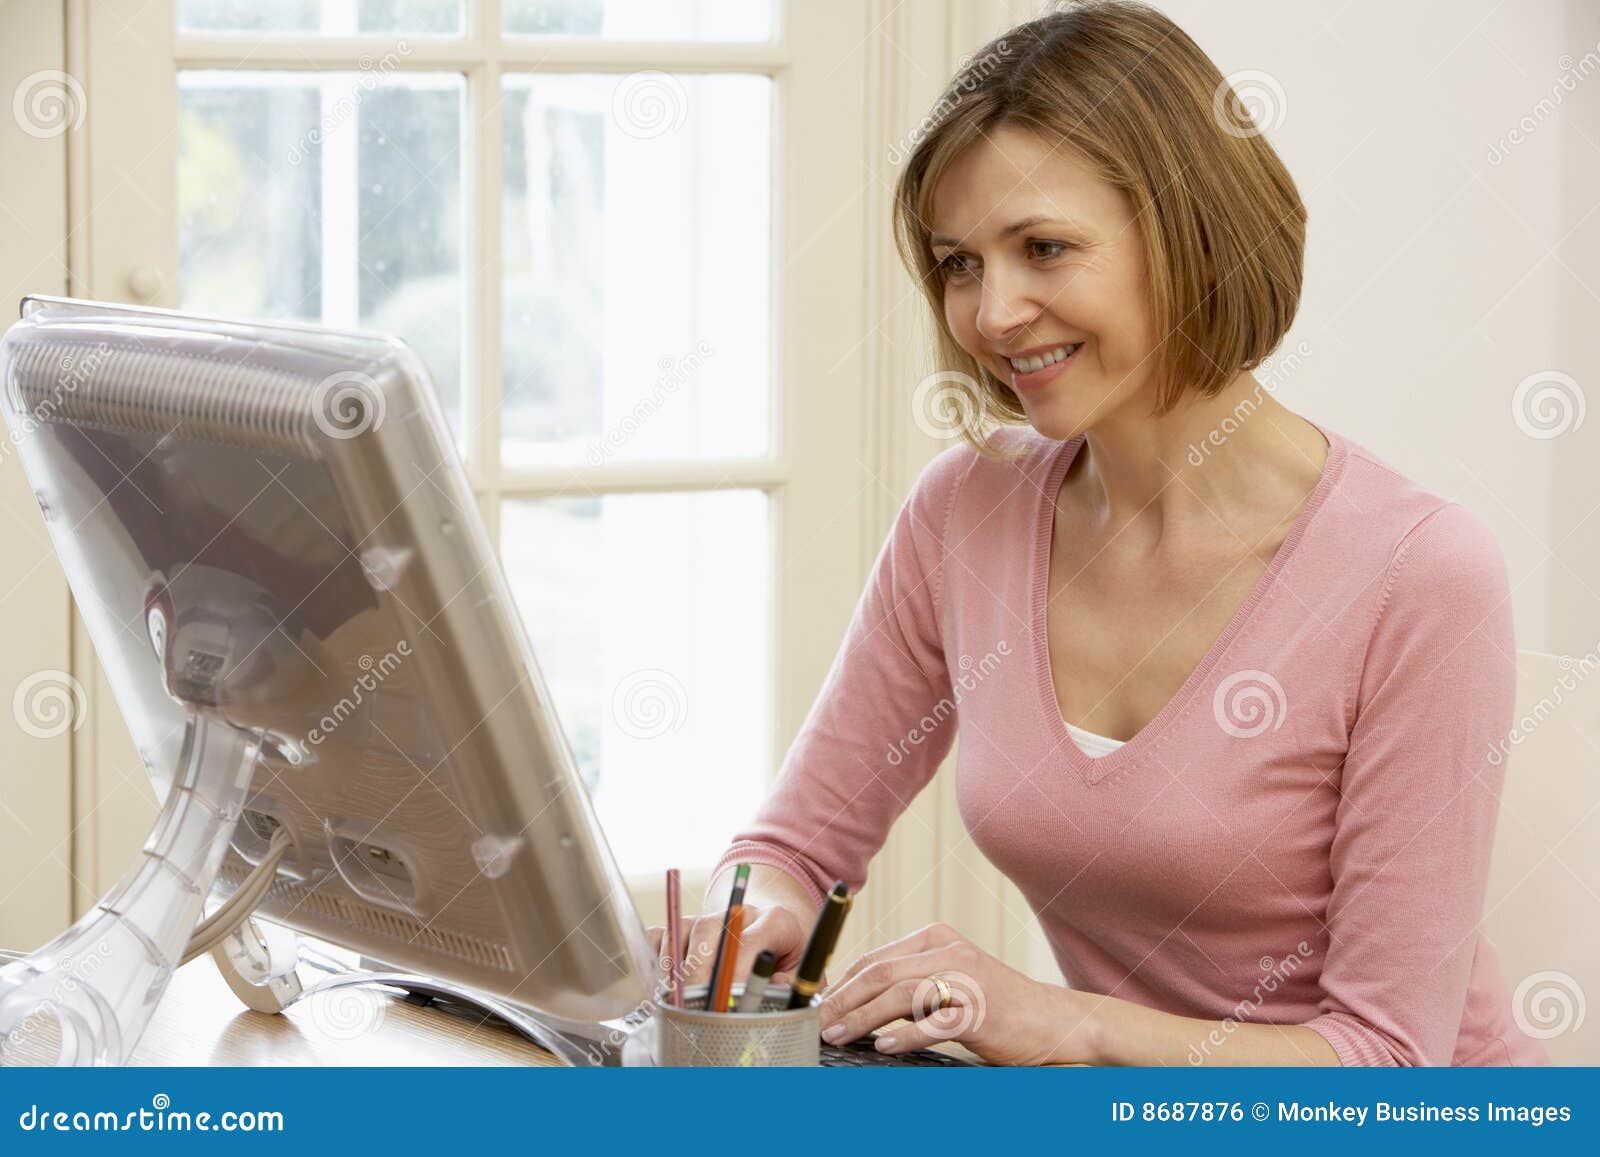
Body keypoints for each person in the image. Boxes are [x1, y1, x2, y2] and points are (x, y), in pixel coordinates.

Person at [655, 0, 1547, 1066]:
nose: (991, 314)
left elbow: (1388, 1059)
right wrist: (749, 918)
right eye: (959, 263)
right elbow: (794, 844)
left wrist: (1058, 1018)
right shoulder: (964, 513)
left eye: (1043, 247)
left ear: (1191, 233)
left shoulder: (1418, 571)